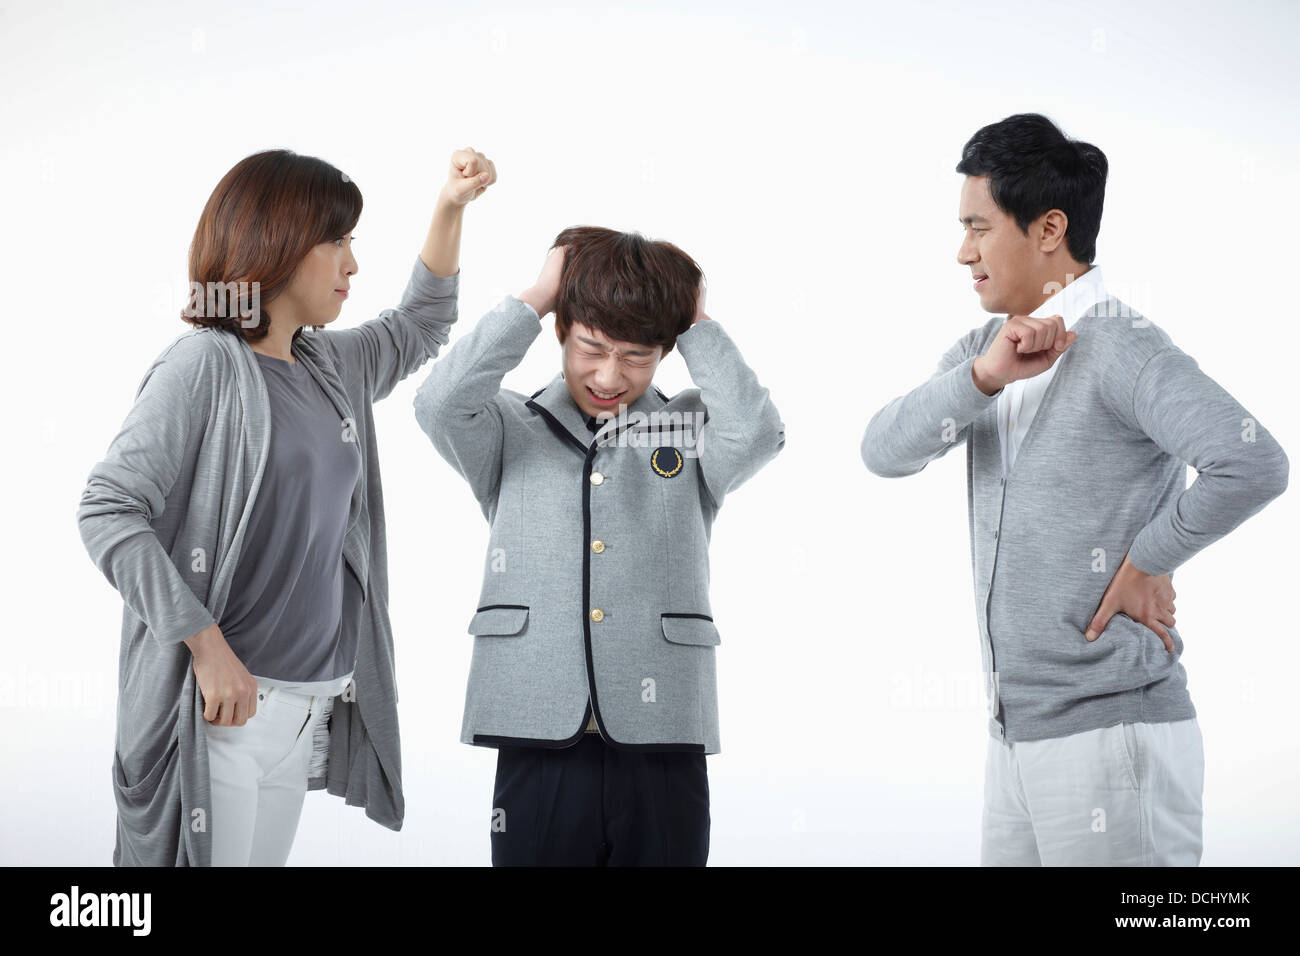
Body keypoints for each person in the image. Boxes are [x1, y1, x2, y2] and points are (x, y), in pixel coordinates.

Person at [860, 113, 1288, 866]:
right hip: (1014, 740)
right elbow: (884, 452)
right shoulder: (984, 350)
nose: (963, 252)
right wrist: (983, 378)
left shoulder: (1123, 347)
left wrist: (1149, 560)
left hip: (1113, 740)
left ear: (1049, 228)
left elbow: (1251, 462)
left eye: (978, 228)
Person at [77, 146, 496, 866]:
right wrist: (206, 646)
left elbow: (423, 322)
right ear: (275, 246)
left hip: (305, 712)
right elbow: (107, 510)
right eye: (336, 242)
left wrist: (449, 207)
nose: (352, 264)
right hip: (219, 714)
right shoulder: (203, 364)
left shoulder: (329, 363)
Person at [414, 226, 785, 865]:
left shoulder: (691, 425)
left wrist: (696, 324)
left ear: (666, 351)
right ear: (562, 330)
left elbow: (757, 433)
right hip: (537, 722)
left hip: (662, 727)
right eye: (591, 347)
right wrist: (537, 297)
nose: (610, 376)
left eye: (637, 356)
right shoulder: (506, 424)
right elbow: (439, 403)